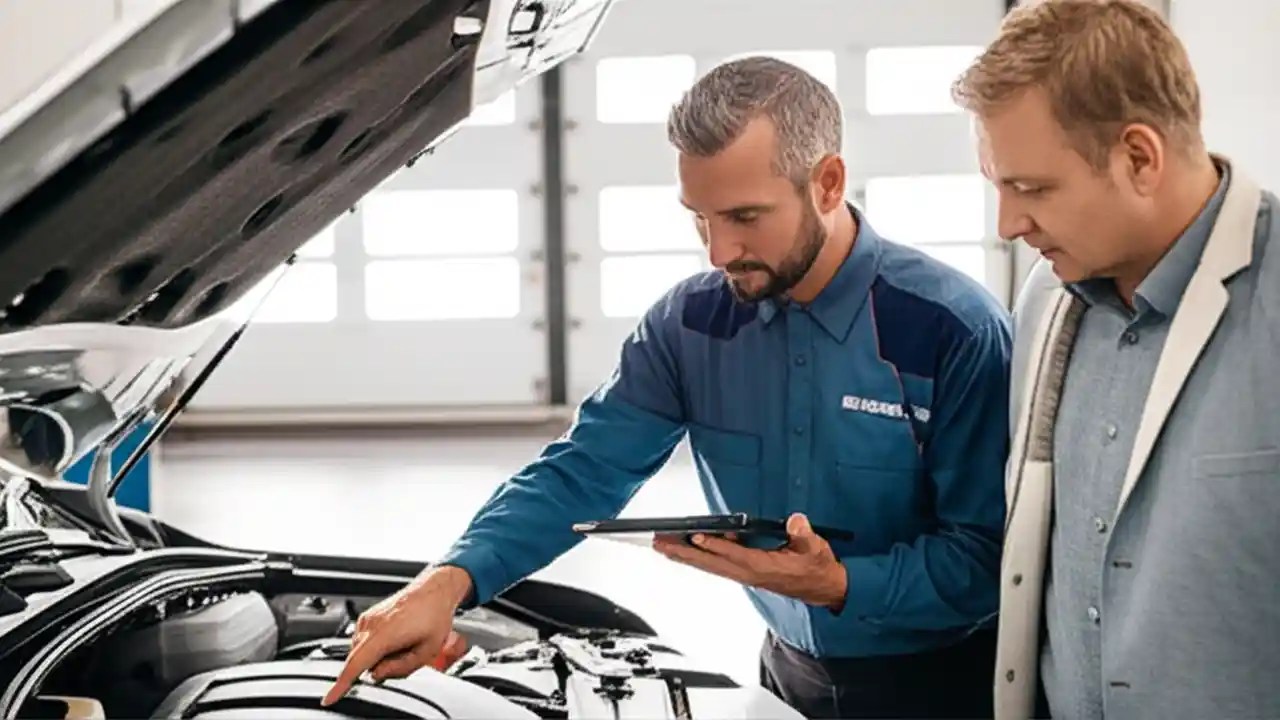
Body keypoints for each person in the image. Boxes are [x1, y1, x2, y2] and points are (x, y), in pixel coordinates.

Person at [322, 56, 1012, 719]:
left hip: (946, 689)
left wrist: (840, 586)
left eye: (744, 217)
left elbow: (988, 559)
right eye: (699, 217)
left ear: (828, 183)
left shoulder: (953, 330)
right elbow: (582, 472)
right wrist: (448, 583)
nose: (717, 252)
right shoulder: (689, 326)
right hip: (784, 681)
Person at [951, 1, 1280, 718]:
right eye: (998, 186)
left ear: (1139, 157)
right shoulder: (1046, 298)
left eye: (1031, 188)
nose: (1008, 224)